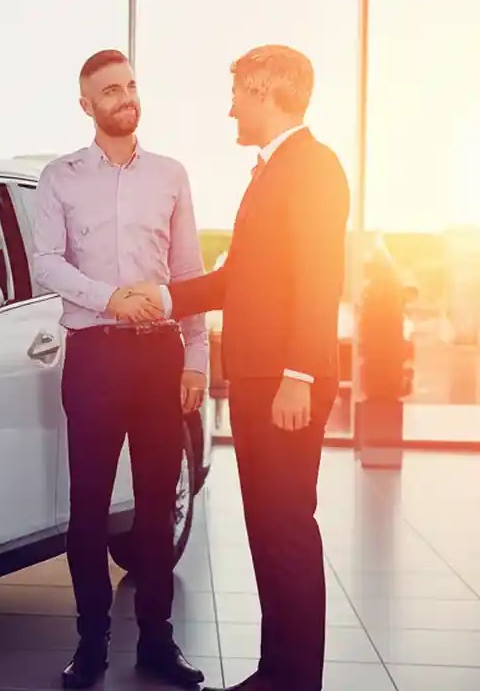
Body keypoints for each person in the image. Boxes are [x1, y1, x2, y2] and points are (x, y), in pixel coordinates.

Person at [132, 45, 349, 691]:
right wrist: (168, 297)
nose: (229, 109)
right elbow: (238, 279)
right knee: (267, 530)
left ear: (266, 91)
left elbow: (320, 281)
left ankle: (295, 682)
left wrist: (301, 375)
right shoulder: (271, 171)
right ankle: (275, 671)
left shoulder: (313, 168)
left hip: (285, 381)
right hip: (259, 379)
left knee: (286, 531)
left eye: (236, 96)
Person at [32, 48, 208, 690]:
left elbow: (188, 276)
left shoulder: (171, 175)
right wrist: (110, 297)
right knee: (88, 509)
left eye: (131, 85)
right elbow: (45, 262)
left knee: (159, 508)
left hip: (161, 356)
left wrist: (197, 358)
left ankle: (158, 642)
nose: (125, 97)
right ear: (88, 105)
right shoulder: (60, 177)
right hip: (96, 358)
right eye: (111, 90)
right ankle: (92, 644)